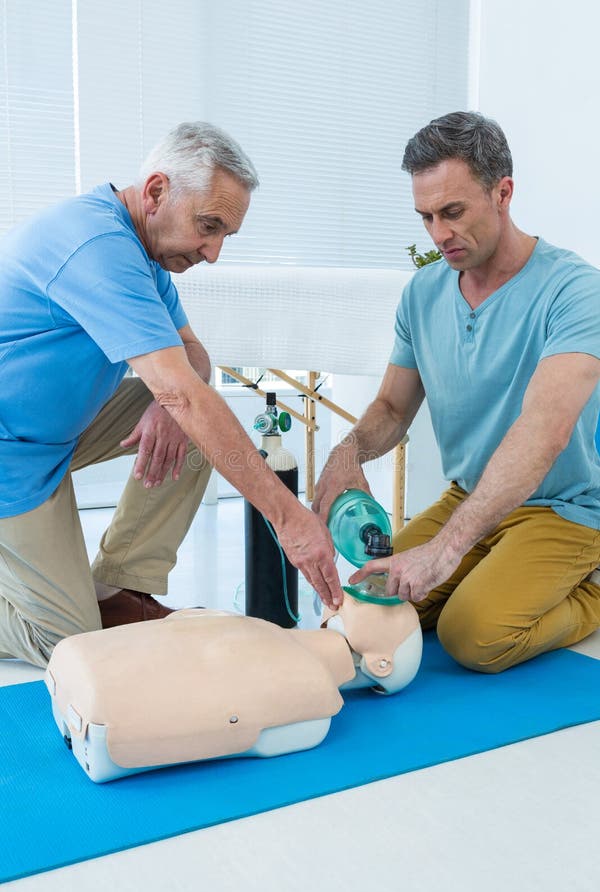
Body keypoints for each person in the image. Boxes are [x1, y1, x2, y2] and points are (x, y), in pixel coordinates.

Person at [0, 121, 342, 668]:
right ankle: (71, 611)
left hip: (53, 428)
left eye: (225, 235)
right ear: (157, 191)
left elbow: (193, 356)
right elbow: (187, 387)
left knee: (193, 415)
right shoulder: (97, 246)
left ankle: (116, 590)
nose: (212, 253)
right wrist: (288, 518)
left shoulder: (143, 253)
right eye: (208, 227)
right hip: (10, 449)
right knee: (68, 645)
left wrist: (167, 401)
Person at [314, 111, 600, 674]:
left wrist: (444, 552)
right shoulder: (422, 294)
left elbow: (545, 431)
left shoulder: (575, 290)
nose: (439, 234)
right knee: (370, 602)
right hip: (470, 496)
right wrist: (345, 453)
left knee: (472, 635)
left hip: (564, 508)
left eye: (452, 212)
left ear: (503, 192)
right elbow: (393, 408)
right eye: (426, 217)